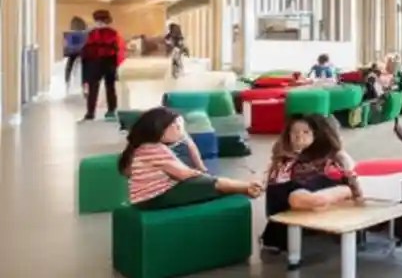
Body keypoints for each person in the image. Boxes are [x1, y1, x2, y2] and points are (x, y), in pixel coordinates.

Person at [119, 107, 262, 209]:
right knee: (208, 183)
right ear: (160, 130)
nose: (180, 131)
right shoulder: (156, 149)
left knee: (204, 182)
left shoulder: (143, 148)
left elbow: (187, 150)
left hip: (147, 198)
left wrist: (200, 171)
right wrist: (202, 175)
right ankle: (246, 187)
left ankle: (244, 187)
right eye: (176, 127)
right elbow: (184, 174)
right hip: (156, 198)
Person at [261, 114, 363, 252]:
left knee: (314, 198)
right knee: (305, 199)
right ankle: (346, 191)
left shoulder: (328, 157)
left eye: (305, 132)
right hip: (289, 197)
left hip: (310, 196)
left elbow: (349, 166)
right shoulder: (284, 157)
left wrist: (345, 165)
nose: (299, 136)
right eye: (294, 132)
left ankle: (346, 192)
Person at [81, 9, 127, 121]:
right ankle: (94, 112)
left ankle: (106, 110)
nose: (99, 23)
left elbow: (118, 50)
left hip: (105, 62)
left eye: (101, 20)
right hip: (99, 63)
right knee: (98, 88)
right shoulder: (94, 34)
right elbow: (86, 50)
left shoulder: (109, 34)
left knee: (106, 87)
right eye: (98, 20)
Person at [63, 16, 88, 88]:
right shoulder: (84, 34)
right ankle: (84, 83)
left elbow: (67, 46)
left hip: (73, 53)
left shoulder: (71, 35)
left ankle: (67, 81)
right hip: (81, 53)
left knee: (69, 64)